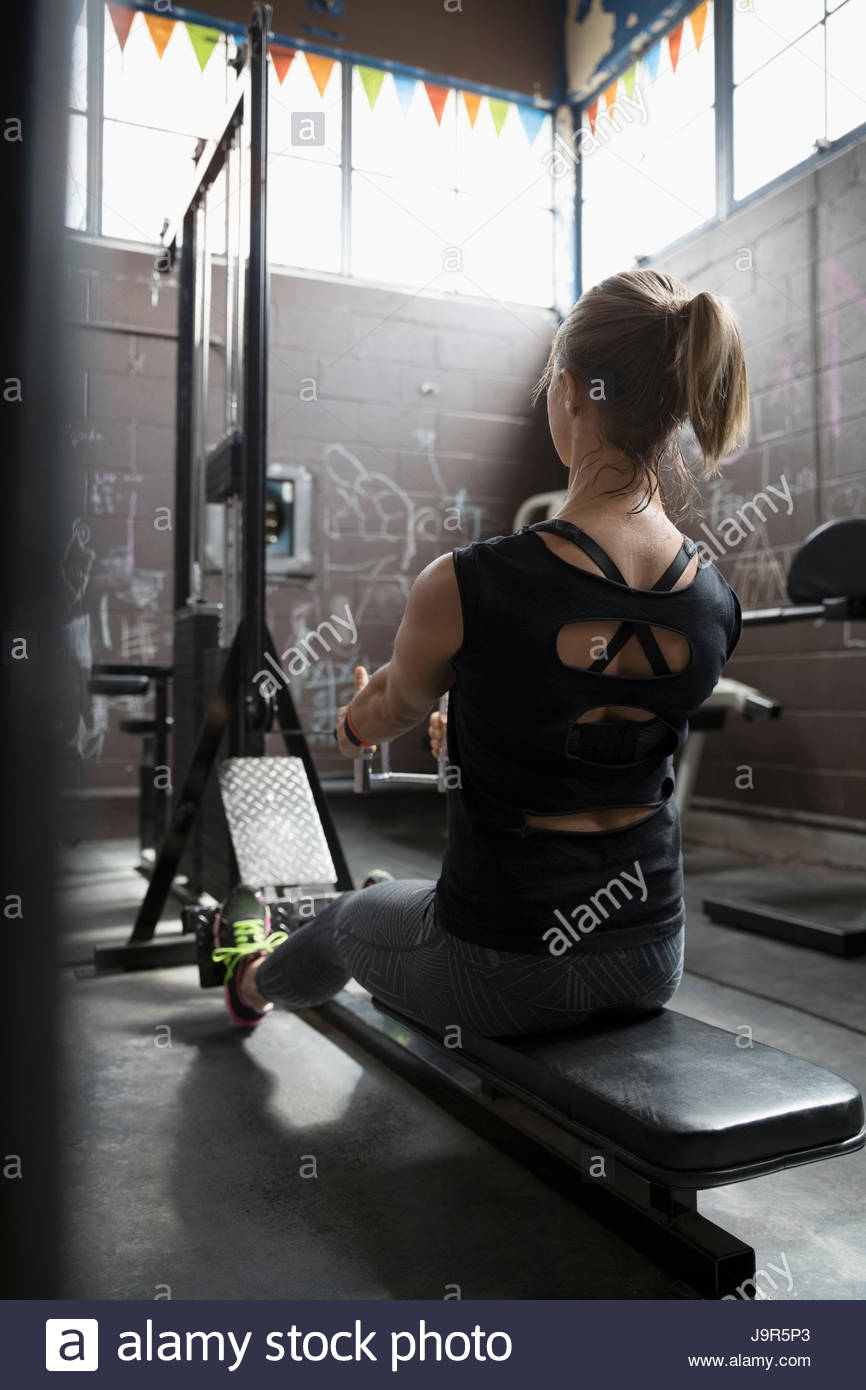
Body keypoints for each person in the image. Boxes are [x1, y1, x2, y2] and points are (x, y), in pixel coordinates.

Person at [213, 269, 748, 1036]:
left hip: (504, 970)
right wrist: (473, 731)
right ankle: (395, 917)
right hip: (651, 959)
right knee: (396, 901)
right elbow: (601, 732)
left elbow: (389, 708)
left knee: (345, 917)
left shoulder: (468, 582)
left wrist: (355, 723)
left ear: (570, 392)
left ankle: (251, 984)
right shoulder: (715, 601)